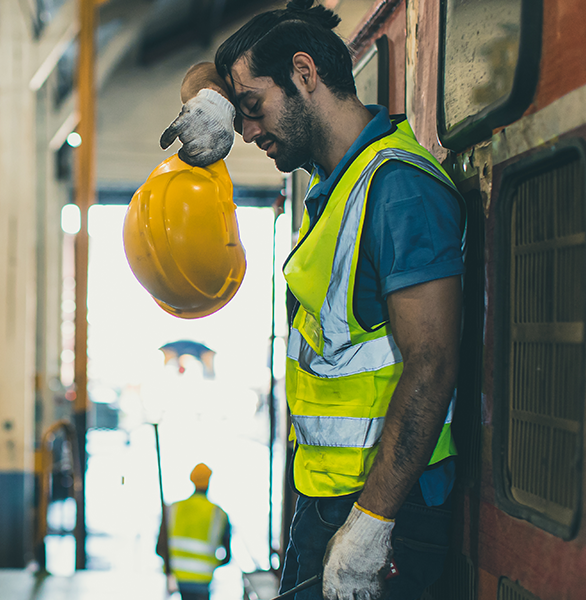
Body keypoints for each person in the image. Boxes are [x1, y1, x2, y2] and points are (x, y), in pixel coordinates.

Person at [159, 1, 463, 599]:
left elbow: (433, 363)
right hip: (330, 501)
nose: (247, 133)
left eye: (252, 108)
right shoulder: (337, 186)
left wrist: (371, 525)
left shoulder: (397, 188)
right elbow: (206, 71)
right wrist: (213, 98)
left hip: (383, 512)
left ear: (305, 73)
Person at [157, 464, 232, 600]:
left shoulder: (173, 509)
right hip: (203, 581)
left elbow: (159, 548)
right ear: (208, 482)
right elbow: (227, 557)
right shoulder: (218, 514)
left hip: (178, 580)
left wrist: (170, 570)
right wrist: (212, 565)